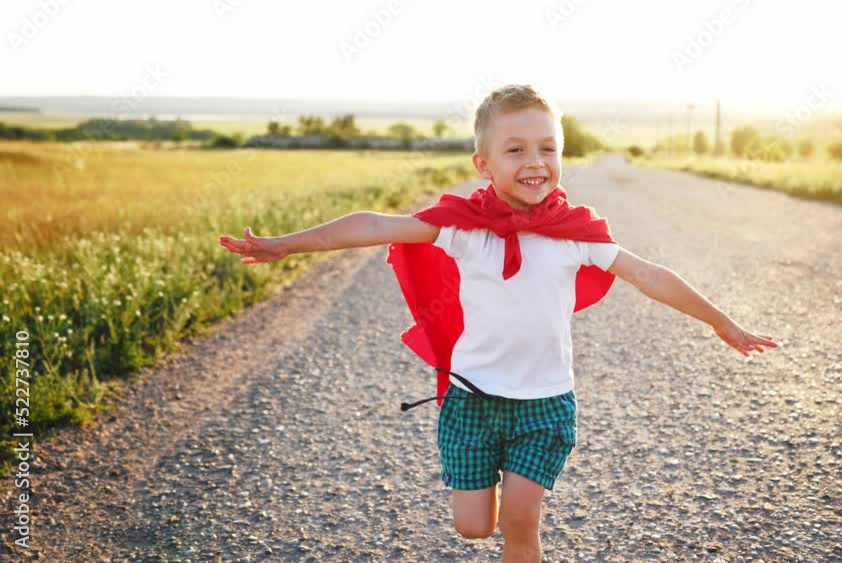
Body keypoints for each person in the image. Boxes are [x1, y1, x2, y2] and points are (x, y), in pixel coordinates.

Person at [219, 84, 778, 563]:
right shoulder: (465, 228)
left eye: (547, 147)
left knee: (519, 520)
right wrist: (287, 247)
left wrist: (718, 321)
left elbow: (650, 275)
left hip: (545, 405)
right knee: (472, 526)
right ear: (483, 164)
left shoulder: (577, 235)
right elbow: (373, 225)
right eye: (515, 149)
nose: (535, 161)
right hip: (470, 402)